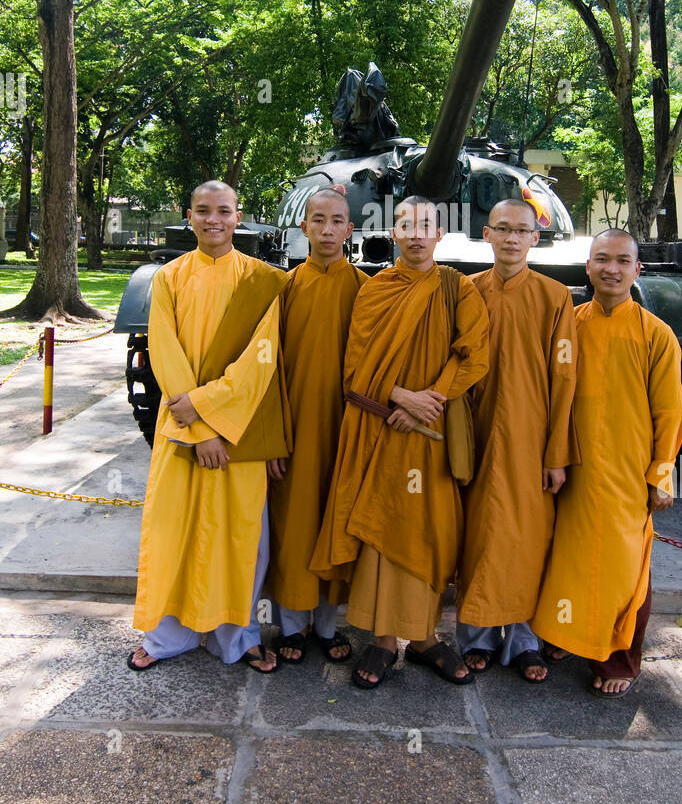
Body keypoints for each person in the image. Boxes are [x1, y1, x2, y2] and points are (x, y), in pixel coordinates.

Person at [310, 195, 490, 689]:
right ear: (393, 234)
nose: (416, 235)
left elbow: (475, 355)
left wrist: (429, 399)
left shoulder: (457, 289)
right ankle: (386, 640)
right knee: (383, 525)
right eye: (406, 225)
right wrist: (401, 398)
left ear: (439, 233)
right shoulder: (375, 291)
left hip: (432, 433)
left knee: (431, 531)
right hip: (382, 429)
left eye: (425, 225)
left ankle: (427, 637)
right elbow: (355, 368)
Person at [129, 181, 290, 675]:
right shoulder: (169, 277)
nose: (213, 220)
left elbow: (259, 362)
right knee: (172, 529)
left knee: (239, 537)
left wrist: (211, 417)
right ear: (189, 215)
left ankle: (236, 638)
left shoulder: (265, 281)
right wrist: (201, 430)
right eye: (203, 211)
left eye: (223, 211)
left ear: (238, 217)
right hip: (181, 430)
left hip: (237, 432)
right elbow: (165, 353)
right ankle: (165, 637)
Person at [533, 228, 682, 696]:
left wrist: (661, 474)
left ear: (638, 269)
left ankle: (618, 658)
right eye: (602, 259)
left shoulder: (655, 335)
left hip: (626, 473)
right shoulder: (569, 325)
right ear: (588, 266)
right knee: (565, 560)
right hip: (570, 467)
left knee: (624, 569)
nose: (611, 269)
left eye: (622, 261)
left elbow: (670, 411)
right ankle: (565, 634)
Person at [456, 198, 578, 682]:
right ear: (486, 235)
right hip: (477, 434)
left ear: (535, 238)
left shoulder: (555, 298)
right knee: (478, 536)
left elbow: (565, 379)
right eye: (502, 229)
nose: (511, 238)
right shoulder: (467, 292)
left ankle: (525, 640)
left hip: (531, 439)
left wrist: (557, 454)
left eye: (521, 231)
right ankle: (477, 637)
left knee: (529, 540)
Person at [264, 188, 366, 664]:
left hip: (348, 433)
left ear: (350, 229)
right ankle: (290, 625)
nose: (327, 230)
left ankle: (327, 626)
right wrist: (273, 440)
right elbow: (265, 372)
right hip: (295, 431)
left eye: (337, 221)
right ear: (302, 227)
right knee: (295, 524)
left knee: (336, 523)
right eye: (318, 220)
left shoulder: (368, 289)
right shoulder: (282, 289)